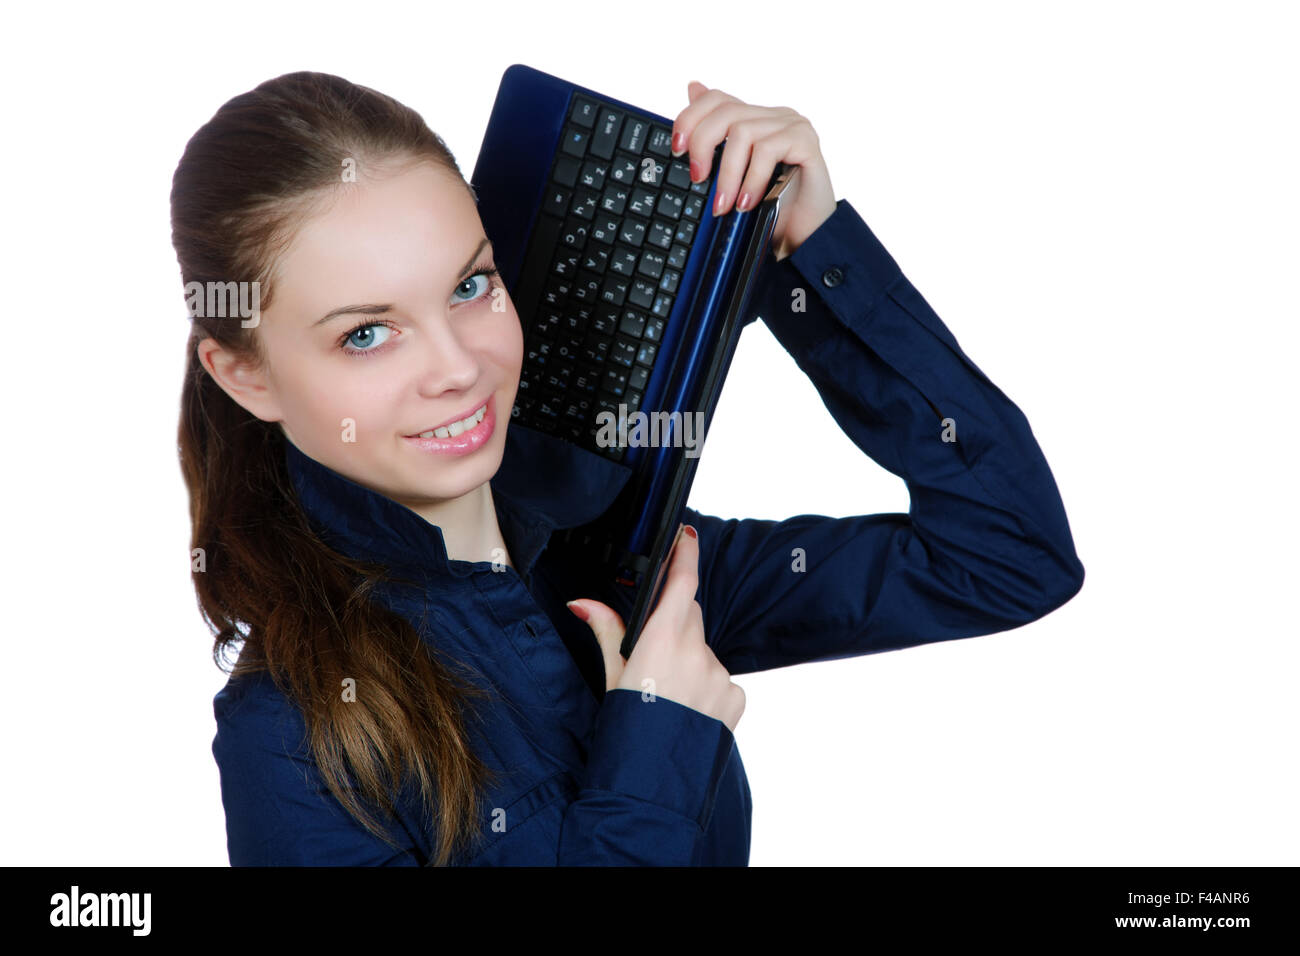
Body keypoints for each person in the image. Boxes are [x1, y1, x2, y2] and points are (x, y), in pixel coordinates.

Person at [175, 71, 1084, 867]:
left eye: (471, 286)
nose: (459, 366)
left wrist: (814, 260)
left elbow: (1007, 555)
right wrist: (653, 750)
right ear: (245, 373)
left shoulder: (638, 557)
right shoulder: (290, 741)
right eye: (366, 334)